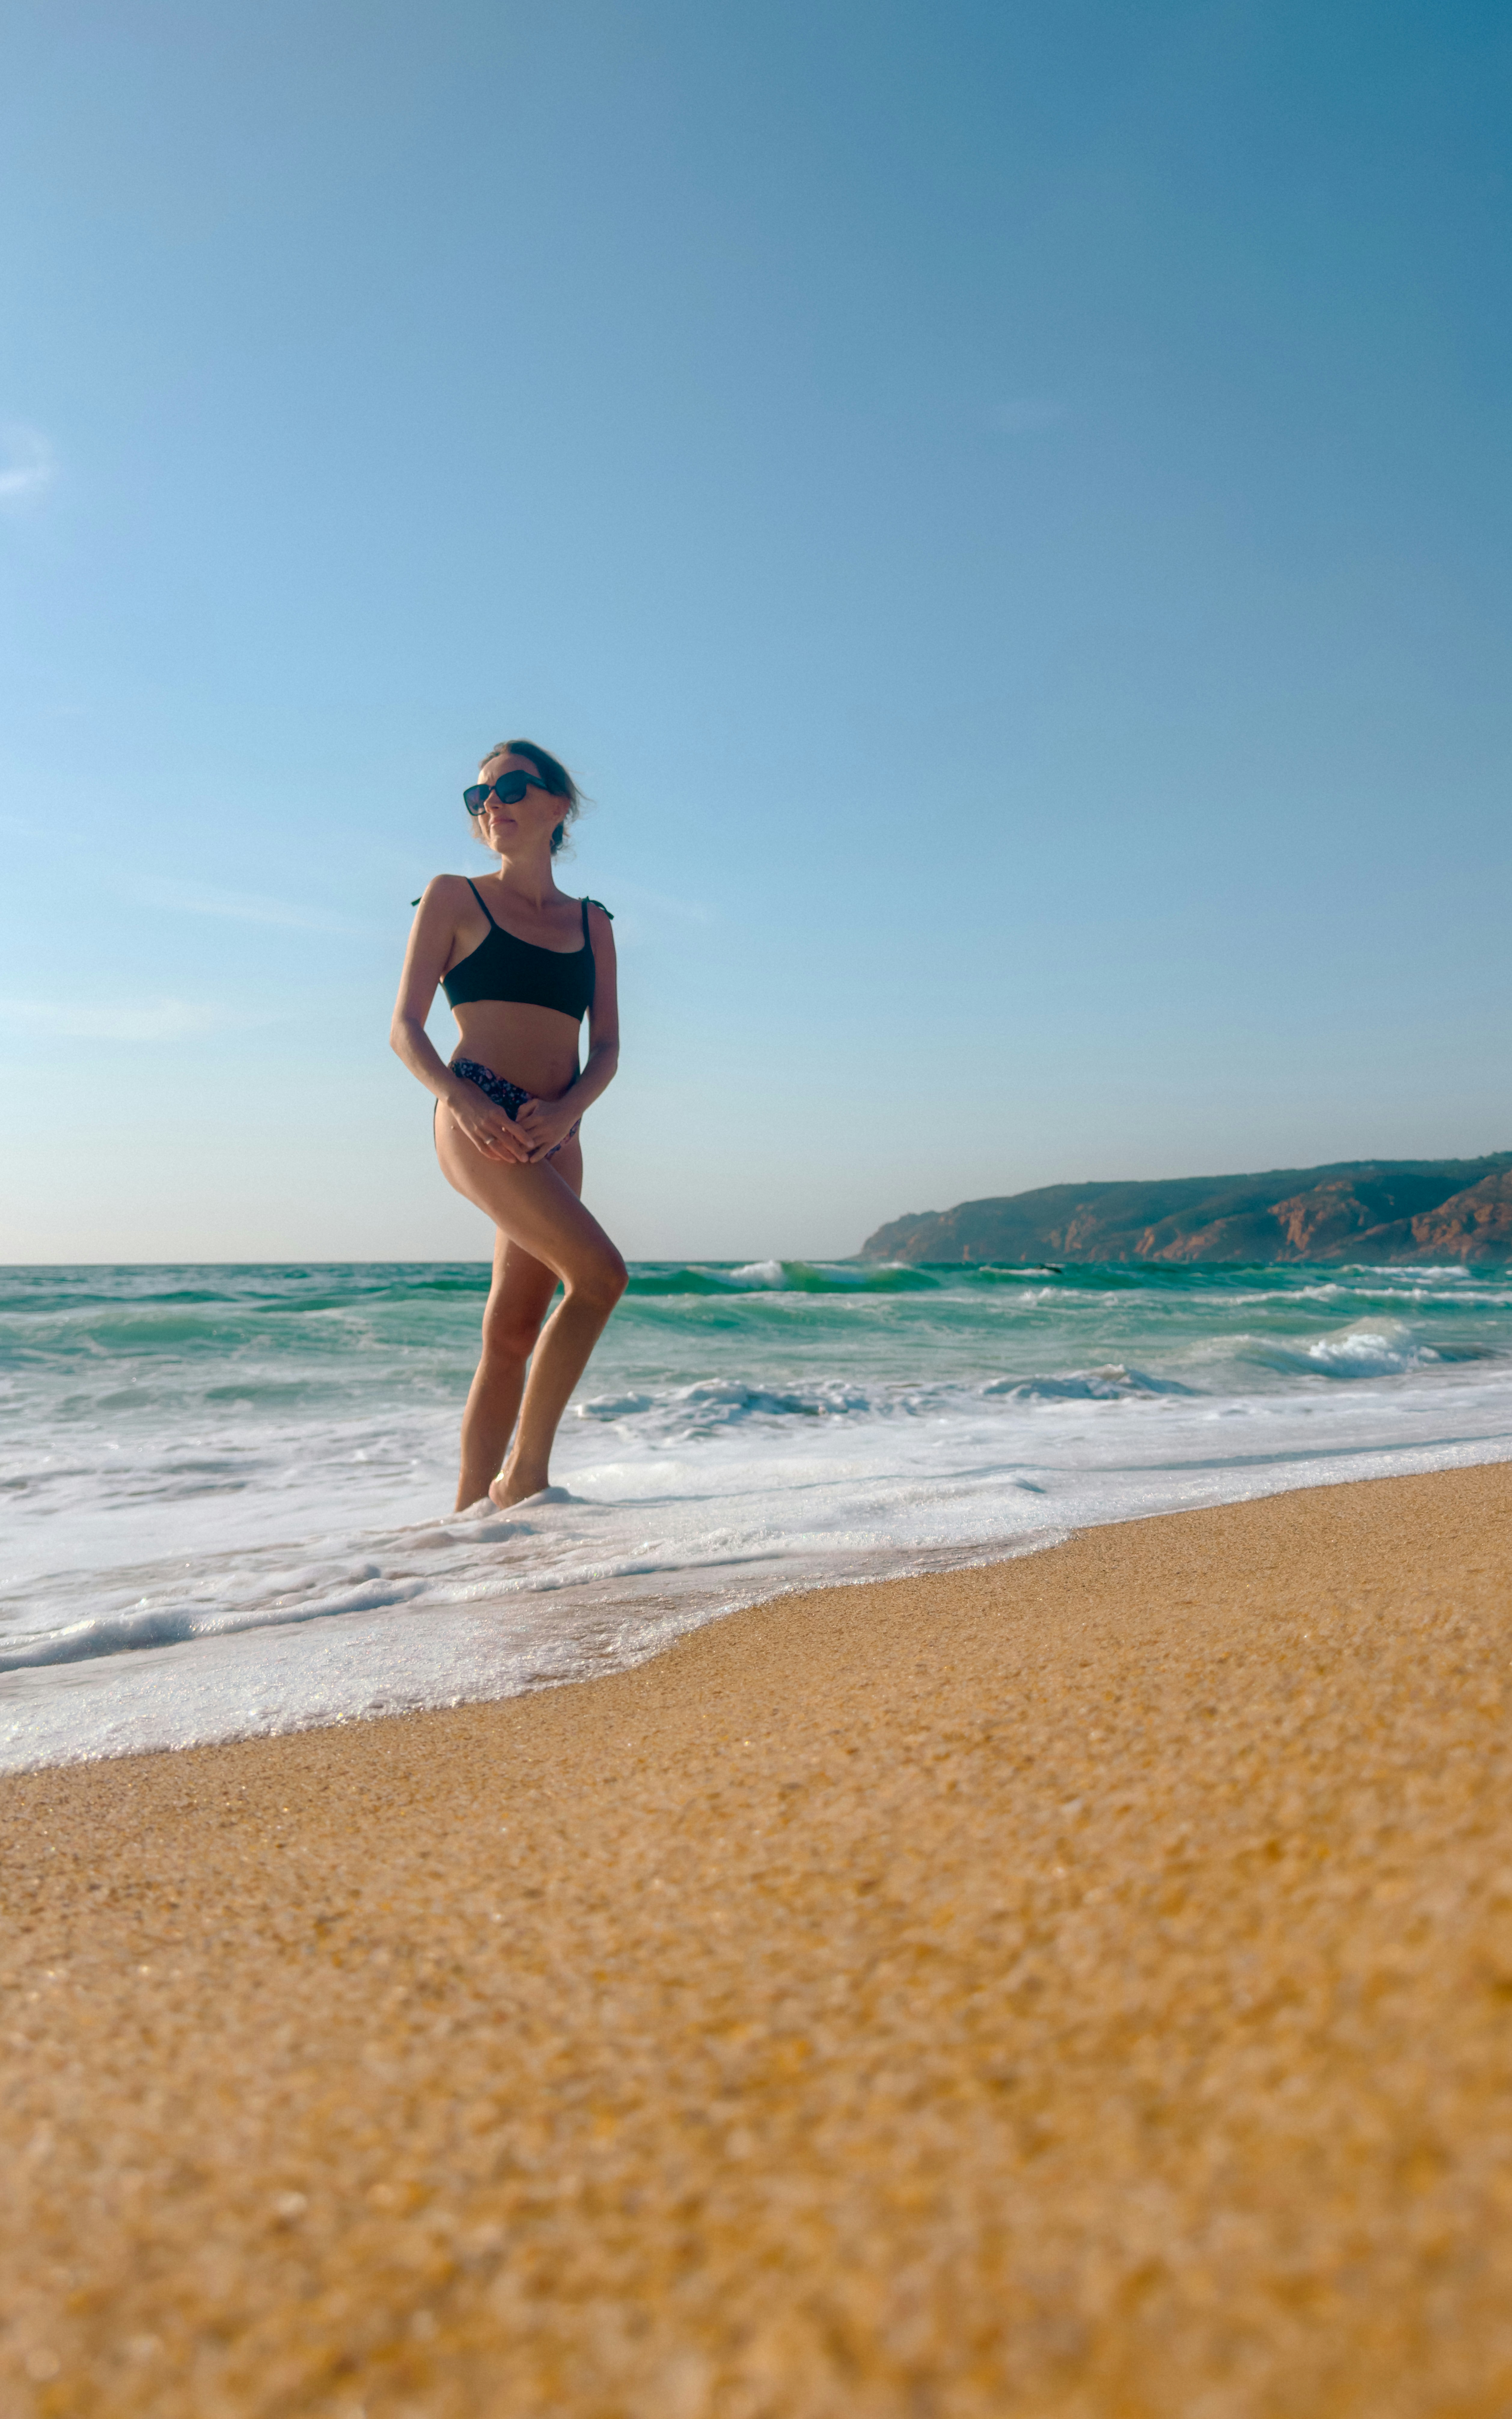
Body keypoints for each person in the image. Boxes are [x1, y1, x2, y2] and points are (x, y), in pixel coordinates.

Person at [391, 740, 625, 1512]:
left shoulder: (593, 924)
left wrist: (567, 1112)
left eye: (512, 788)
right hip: (478, 1113)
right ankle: (525, 1475)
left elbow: (609, 1049)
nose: (491, 803)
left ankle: (463, 1523)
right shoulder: (453, 896)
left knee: (514, 1330)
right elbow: (404, 1029)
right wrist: (465, 1103)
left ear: (558, 806)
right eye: (480, 795)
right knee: (600, 1276)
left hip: (560, 1130)